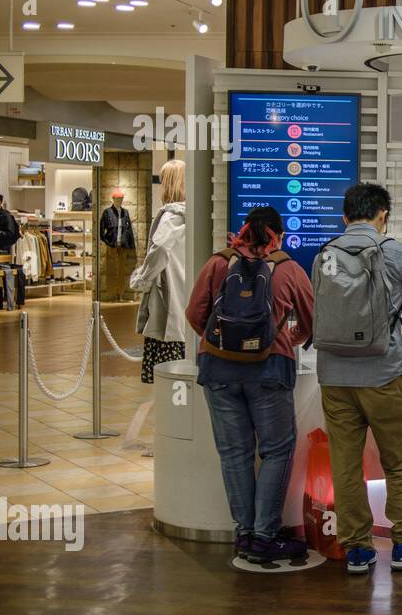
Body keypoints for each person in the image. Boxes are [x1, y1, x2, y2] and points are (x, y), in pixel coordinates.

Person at [186, 206, 315, 564]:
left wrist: (221, 342)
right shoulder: (289, 268)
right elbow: (310, 321)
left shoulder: (218, 263)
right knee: (275, 451)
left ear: (243, 232)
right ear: (280, 236)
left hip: (218, 370)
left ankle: (244, 534)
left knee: (234, 453)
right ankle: (264, 536)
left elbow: (195, 314)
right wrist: (289, 338)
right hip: (270, 369)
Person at [313, 183, 402, 575]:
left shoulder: (325, 255)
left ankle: (358, 550)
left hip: (334, 377)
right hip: (383, 372)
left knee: (345, 465)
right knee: (396, 460)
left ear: (345, 218)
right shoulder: (396, 252)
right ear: (382, 215)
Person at [130, 160, 187, 385]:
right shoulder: (193, 215)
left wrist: (143, 277)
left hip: (169, 303)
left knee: (168, 374)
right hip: (187, 298)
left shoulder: (170, 216)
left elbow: (160, 249)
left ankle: (173, 415)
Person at [98, 189, 136, 302]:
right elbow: (101, 229)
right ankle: (111, 294)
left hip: (122, 246)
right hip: (112, 245)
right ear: (113, 199)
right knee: (111, 270)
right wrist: (107, 241)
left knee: (121, 270)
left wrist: (130, 245)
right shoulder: (107, 212)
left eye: (121, 199)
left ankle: (120, 295)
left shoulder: (125, 212)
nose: (120, 201)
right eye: (118, 199)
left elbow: (128, 230)